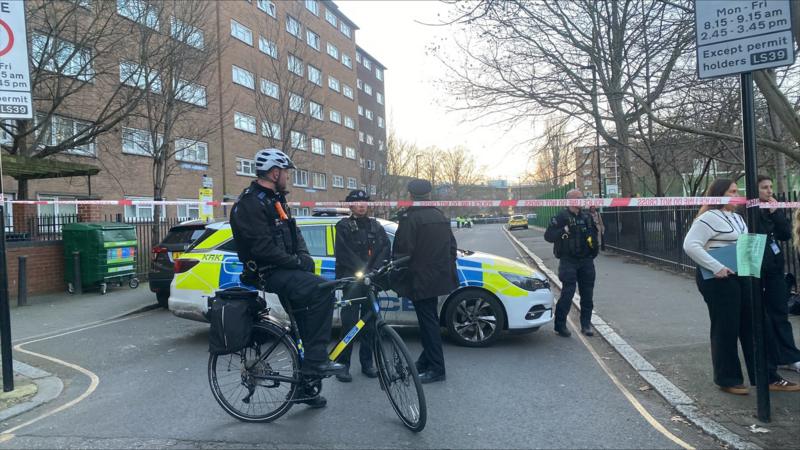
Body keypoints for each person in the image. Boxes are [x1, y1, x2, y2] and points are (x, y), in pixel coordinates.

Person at [229, 148, 346, 408]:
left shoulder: (275, 199)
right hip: (267, 272)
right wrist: (295, 262)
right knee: (322, 290)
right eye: (286, 173)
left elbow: (295, 235)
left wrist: (305, 258)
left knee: (303, 326)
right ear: (274, 172)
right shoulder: (250, 204)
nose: (288, 178)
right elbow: (262, 249)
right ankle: (317, 360)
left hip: (286, 269)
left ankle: (305, 388)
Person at [683, 178, 798, 395]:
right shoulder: (708, 218)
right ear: (718, 194)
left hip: (741, 275)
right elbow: (690, 245)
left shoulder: (737, 217)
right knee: (726, 327)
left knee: (756, 324)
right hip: (718, 281)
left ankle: (767, 376)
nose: (736, 195)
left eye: (737, 191)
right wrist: (716, 267)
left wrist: (752, 272)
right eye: (731, 191)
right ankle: (728, 378)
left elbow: (745, 245)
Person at [392, 179, 459, 384]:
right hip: (438, 278)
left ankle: (437, 368)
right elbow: (452, 248)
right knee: (430, 320)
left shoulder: (410, 219)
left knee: (428, 324)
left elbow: (402, 254)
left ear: (411, 196)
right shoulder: (439, 215)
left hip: (420, 279)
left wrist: (396, 278)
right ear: (429, 195)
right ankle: (425, 360)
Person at [333, 189, 390, 382]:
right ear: (350, 205)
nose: (362, 205)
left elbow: (385, 248)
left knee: (370, 324)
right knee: (349, 324)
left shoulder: (376, 225)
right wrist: (363, 270)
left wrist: (374, 270)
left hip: (371, 281)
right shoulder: (343, 226)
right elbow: (343, 253)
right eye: (357, 202)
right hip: (352, 282)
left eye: (365, 201)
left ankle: (367, 364)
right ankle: (343, 365)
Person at [758, 176, 800, 377]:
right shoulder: (748, 210)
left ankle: (789, 356)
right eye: (764, 187)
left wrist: (776, 213)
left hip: (774, 270)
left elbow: (785, 234)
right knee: (760, 316)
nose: (769, 191)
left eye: (770, 187)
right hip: (756, 269)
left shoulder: (773, 209)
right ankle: (769, 356)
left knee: (780, 312)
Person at [544, 189, 599, 337]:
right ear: (571, 200)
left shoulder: (587, 216)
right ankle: (560, 325)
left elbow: (595, 234)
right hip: (568, 260)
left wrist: (594, 251)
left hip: (586, 260)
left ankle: (586, 325)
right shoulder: (561, 217)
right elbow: (548, 236)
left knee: (587, 294)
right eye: (579, 198)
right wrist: (564, 230)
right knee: (568, 293)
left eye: (582, 198)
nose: (582, 200)